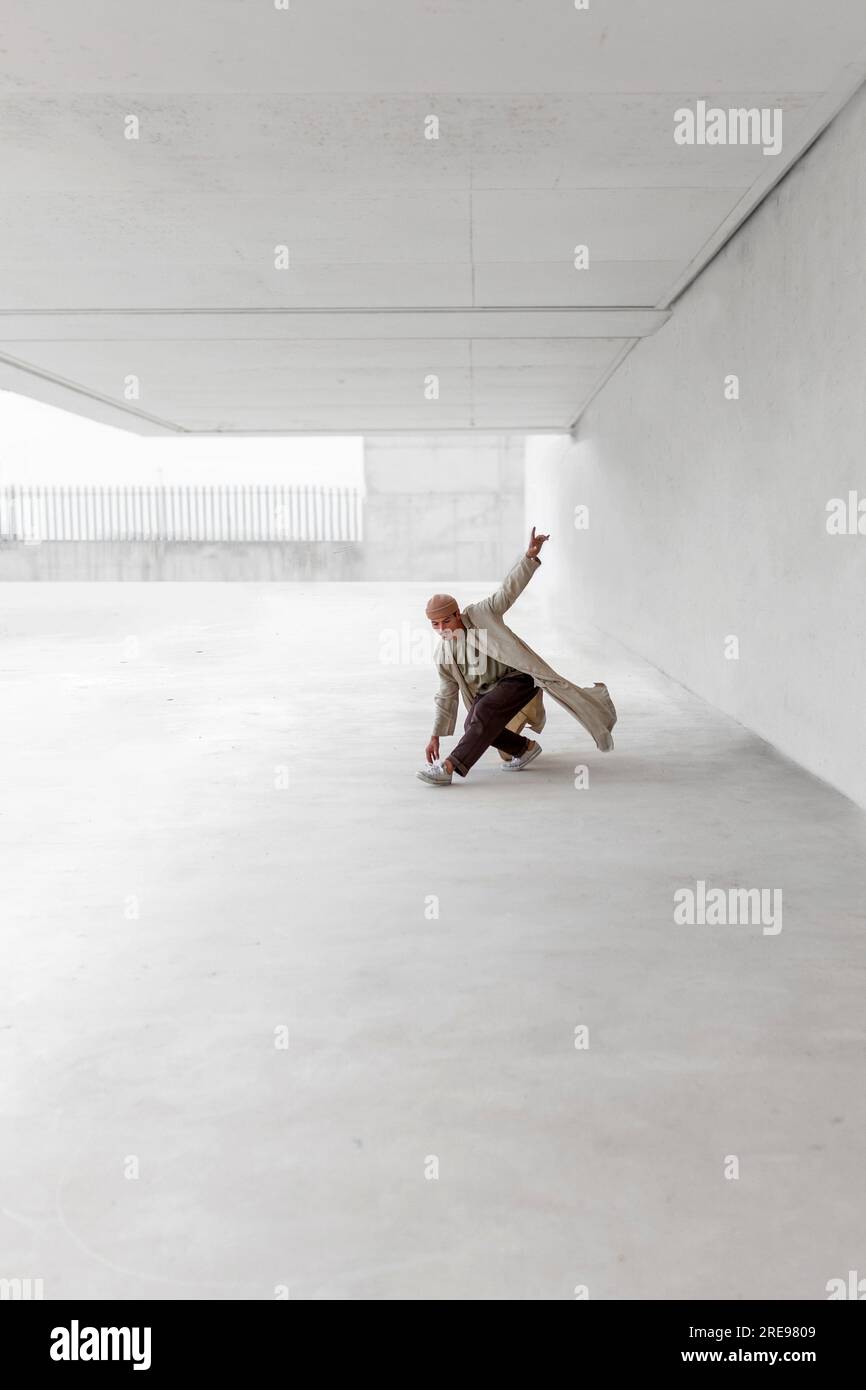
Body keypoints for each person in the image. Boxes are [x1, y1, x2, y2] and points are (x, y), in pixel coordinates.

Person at [417, 527, 617, 786]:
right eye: (435, 625)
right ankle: (525, 749)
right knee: (473, 724)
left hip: (518, 678)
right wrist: (434, 735)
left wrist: (529, 558)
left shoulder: (481, 614)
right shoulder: (443, 655)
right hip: (488, 692)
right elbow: (446, 695)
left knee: (484, 712)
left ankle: (448, 767)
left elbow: (507, 591)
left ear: (457, 614)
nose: (442, 629)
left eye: (446, 621)